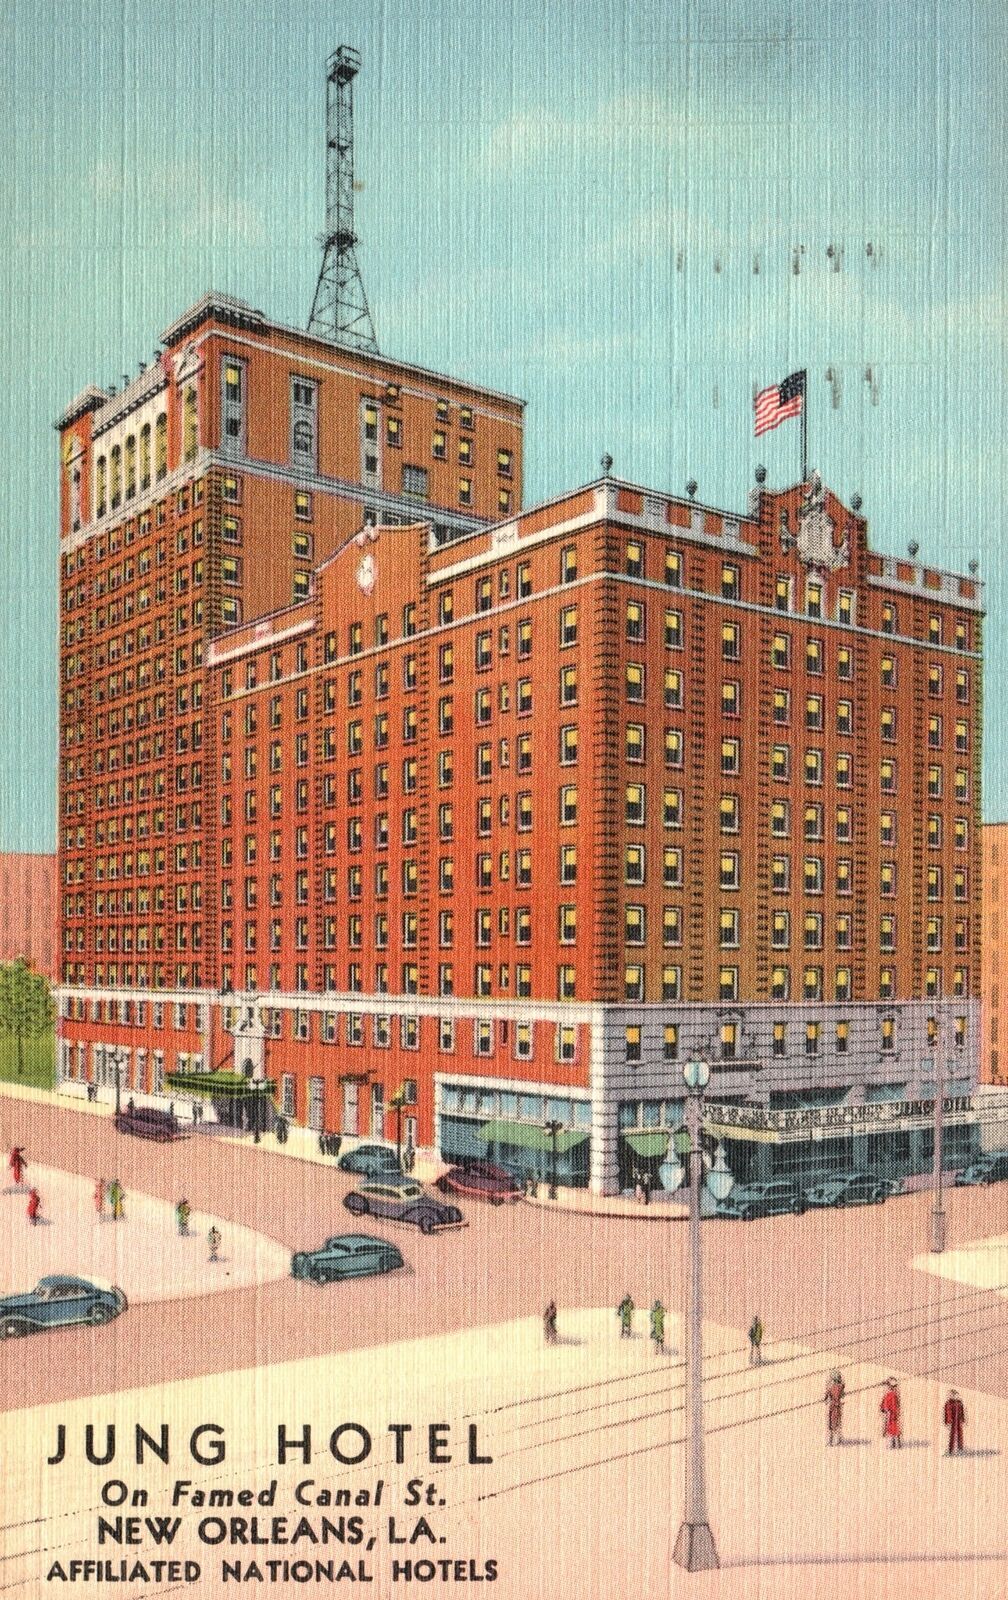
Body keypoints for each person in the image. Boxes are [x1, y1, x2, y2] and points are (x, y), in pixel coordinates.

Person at [825, 1371, 845, 1445]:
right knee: (837, 1422)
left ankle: (831, 1440)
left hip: (832, 1406)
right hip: (838, 1406)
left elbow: (826, 1396)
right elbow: (842, 1395)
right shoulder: (841, 1387)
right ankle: (837, 1439)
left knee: (831, 1422)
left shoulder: (831, 1387)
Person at [881, 1378, 902, 1448]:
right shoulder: (892, 1395)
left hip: (892, 1414)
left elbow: (888, 1405)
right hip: (892, 1413)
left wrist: (885, 1409)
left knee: (892, 1428)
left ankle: (895, 1444)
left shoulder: (891, 1395)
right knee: (893, 1428)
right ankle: (895, 1444)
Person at [944, 1389, 966, 1455]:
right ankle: (951, 1449)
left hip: (958, 1420)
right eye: (952, 1395)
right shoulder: (949, 1403)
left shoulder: (959, 1403)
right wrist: (948, 1421)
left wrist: (963, 1419)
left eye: (955, 1395)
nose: (954, 1396)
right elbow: (947, 1412)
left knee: (960, 1434)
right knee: (953, 1435)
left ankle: (960, 1448)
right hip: (953, 1421)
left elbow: (962, 1411)